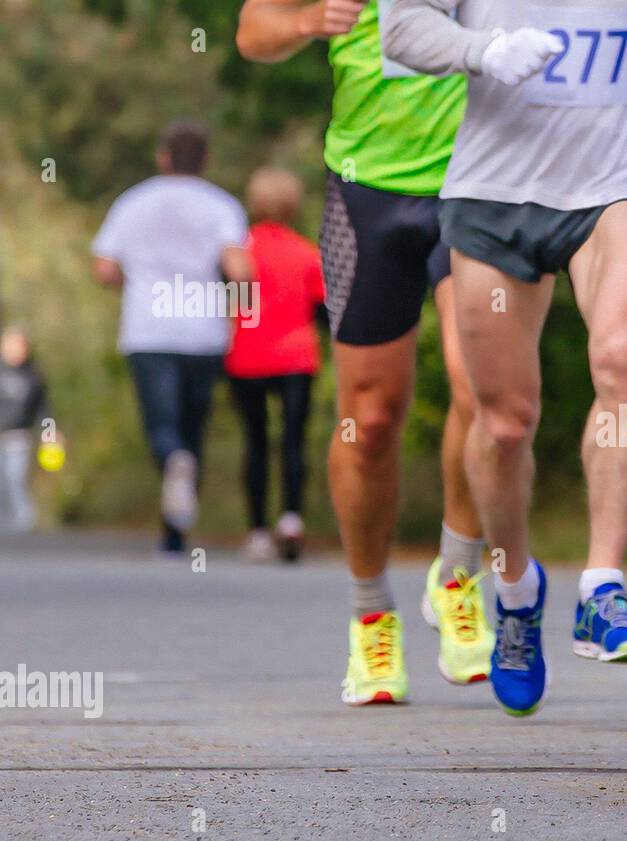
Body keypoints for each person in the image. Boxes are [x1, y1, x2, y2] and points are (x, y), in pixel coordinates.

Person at [384, 0, 627, 717]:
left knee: (625, 357)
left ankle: (602, 586)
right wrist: (483, 50)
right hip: (493, 191)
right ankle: (514, 589)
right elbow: (403, 29)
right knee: (505, 422)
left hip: (616, 183)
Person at [238, 0, 496, 704]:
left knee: (484, 389)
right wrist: (309, 21)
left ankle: (458, 574)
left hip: (477, 179)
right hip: (368, 189)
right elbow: (252, 29)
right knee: (371, 418)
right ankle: (371, 612)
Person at [91, 122, 253, 555]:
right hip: (203, 331)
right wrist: (241, 315)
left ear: (163, 157)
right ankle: (177, 528)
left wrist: (134, 279)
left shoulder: (133, 202)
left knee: (162, 425)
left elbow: (105, 268)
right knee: (192, 424)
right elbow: (240, 271)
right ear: (205, 160)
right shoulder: (222, 206)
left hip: (149, 329)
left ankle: (172, 490)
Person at [226, 168, 324, 563]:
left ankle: (257, 530)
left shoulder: (239, 253)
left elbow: (233, 304)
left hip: (246, 355)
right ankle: (292, 517)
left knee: (255, 441)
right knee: (293, 440)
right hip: (296, 358)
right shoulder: (307, 253)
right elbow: (323, 311)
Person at [0, 328, 51, 534]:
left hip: (19, 438)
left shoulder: (34, 376)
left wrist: (50, 435)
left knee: (16, 479)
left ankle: (24, 527)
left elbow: (45, 411)